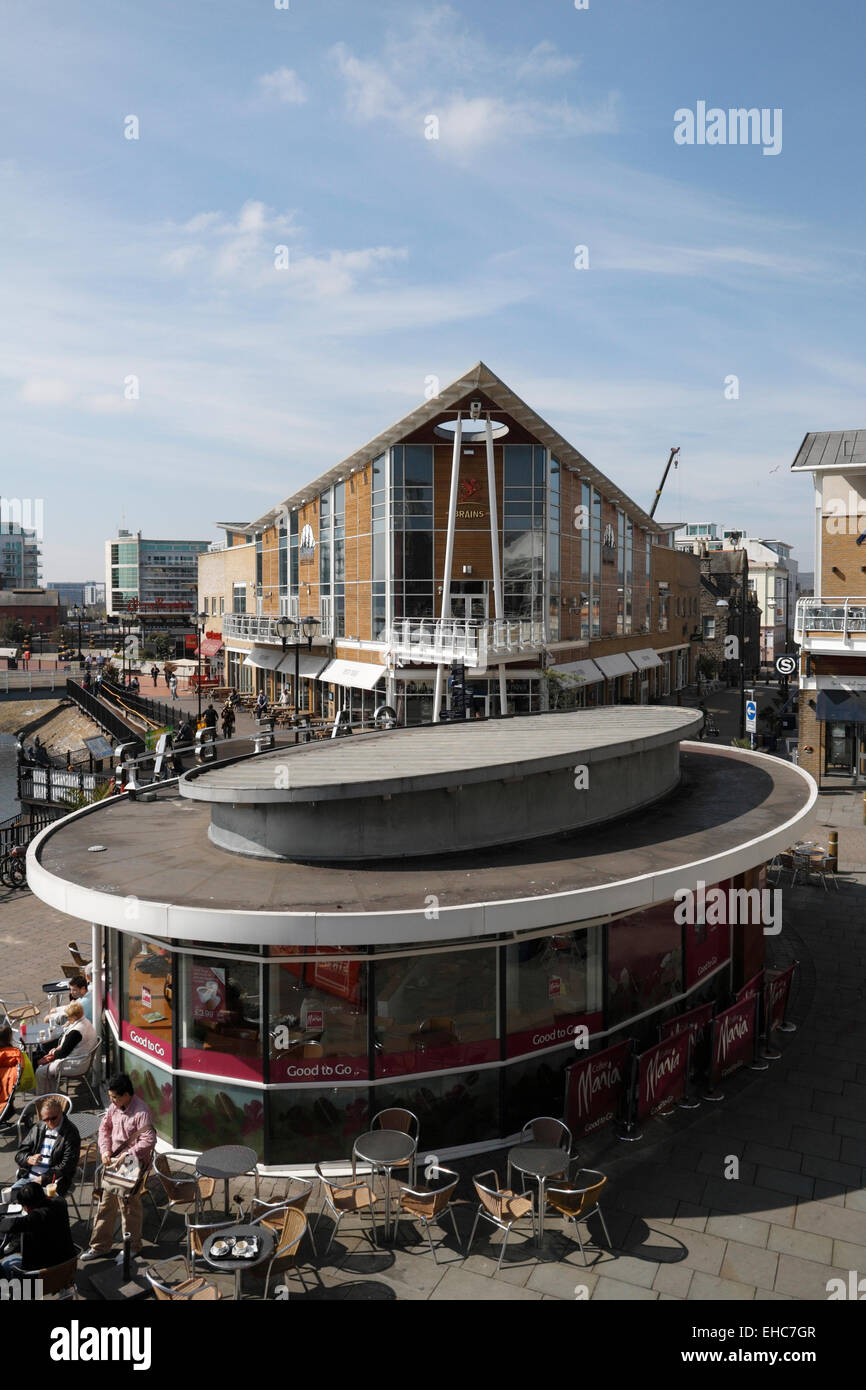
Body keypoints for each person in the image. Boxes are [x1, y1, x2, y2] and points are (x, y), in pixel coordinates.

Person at [79, 1074, 156, 1262]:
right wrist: (105, 1150)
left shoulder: (141, 1112)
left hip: (132, 1164)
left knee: (128, 1208)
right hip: (113, 1161)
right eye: (111, 1097)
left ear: (127, 1094)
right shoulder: (114, 1107)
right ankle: (99, 1247)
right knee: (105, 1204)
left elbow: (149, 1140)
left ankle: (133, 1247)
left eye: (115, 1097)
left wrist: (127, 1155)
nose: (112, 1101)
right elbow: (104, 1129)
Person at [0, 1183, 75, 1279]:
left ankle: (23, 1292)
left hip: (39, 1281)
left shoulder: (34, 1219)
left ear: (27, 1206)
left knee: (7, 1262)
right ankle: (63, 1288)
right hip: (68, 1269)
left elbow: (10, 1224)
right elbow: (55, 1198)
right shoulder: (61, 1203)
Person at [12, 1097, 80, 1199]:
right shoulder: (38, 1127)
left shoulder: (70, 1132)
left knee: (34, 1207)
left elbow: (67, 1165)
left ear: (61, 1113)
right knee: (9, 1197)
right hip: (28, 1177)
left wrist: (43, 1178)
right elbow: (19, 1155)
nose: (49, 1122)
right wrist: (28, 1159)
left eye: (53, 1118)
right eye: (45, 1119)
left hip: (53, 1182)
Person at [35, 1001, 97, 1094]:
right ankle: (52, 1092)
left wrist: (53, 1053)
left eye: (68, 1016)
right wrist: (55, 1050)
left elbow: (63, 1053)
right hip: (83, 1059)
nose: (67, 1018)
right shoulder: (86, 1022)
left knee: (40, 1072)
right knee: (45, 1065)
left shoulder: (76, 1032)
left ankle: (45, 1097)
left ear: (74, 1017)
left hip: (75, 1064)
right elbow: (67, 1047)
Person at [0, 1024, 24, 1116]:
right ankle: (10, 1109)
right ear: (9, 1037)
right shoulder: (15, 1053)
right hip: (8, 1089)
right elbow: (20, 1070)